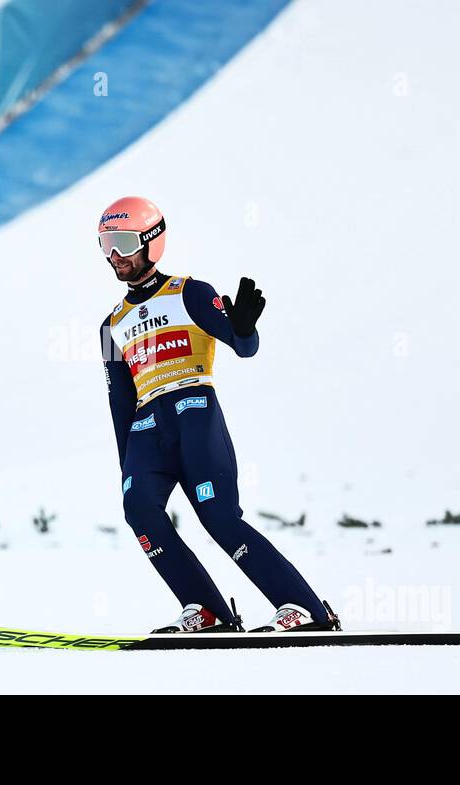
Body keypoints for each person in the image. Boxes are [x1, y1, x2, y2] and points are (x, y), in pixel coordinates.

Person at [97, 196, 340, 634]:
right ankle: (206, 610)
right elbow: (120, 403)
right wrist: (126, 466)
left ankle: (305, 609)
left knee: (221, 519)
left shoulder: (190, 292)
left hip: (194, 414)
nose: (115, 255)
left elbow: (244, 348)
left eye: (123, 242)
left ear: (152, 242)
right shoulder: (110, 324)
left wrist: (244, 328)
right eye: (106, 244)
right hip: (146, 430)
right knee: (138, 509)